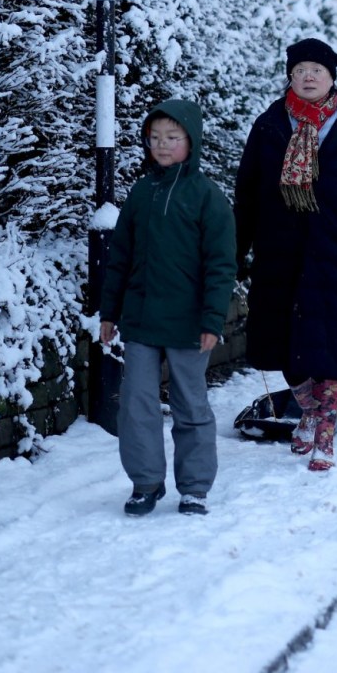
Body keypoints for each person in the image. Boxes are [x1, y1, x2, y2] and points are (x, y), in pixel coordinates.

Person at [235, 38, 337, 472]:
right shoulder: (269, 126)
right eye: (300, 70)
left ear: (332, 78)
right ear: (289, 77)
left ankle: (324, 435)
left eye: (317, 70)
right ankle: (309, 412)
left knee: (329, 345)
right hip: (280, 253)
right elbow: (247, 195)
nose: (308, 77)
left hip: (336, 254)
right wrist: (235, 251)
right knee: (285, 347)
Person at [99, 99, 237, 516]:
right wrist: (109, 313)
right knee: (136, 404)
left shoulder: (207, 197)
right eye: (155, 137)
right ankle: (146, 483)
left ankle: (194, 487)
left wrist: (212, 319)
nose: (162, 145)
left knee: (190, 405)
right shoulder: (142, 192)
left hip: (189, 324)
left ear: (191, 141)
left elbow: (220, 265)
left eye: (172, 137)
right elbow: (120, 257)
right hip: (141, 320)